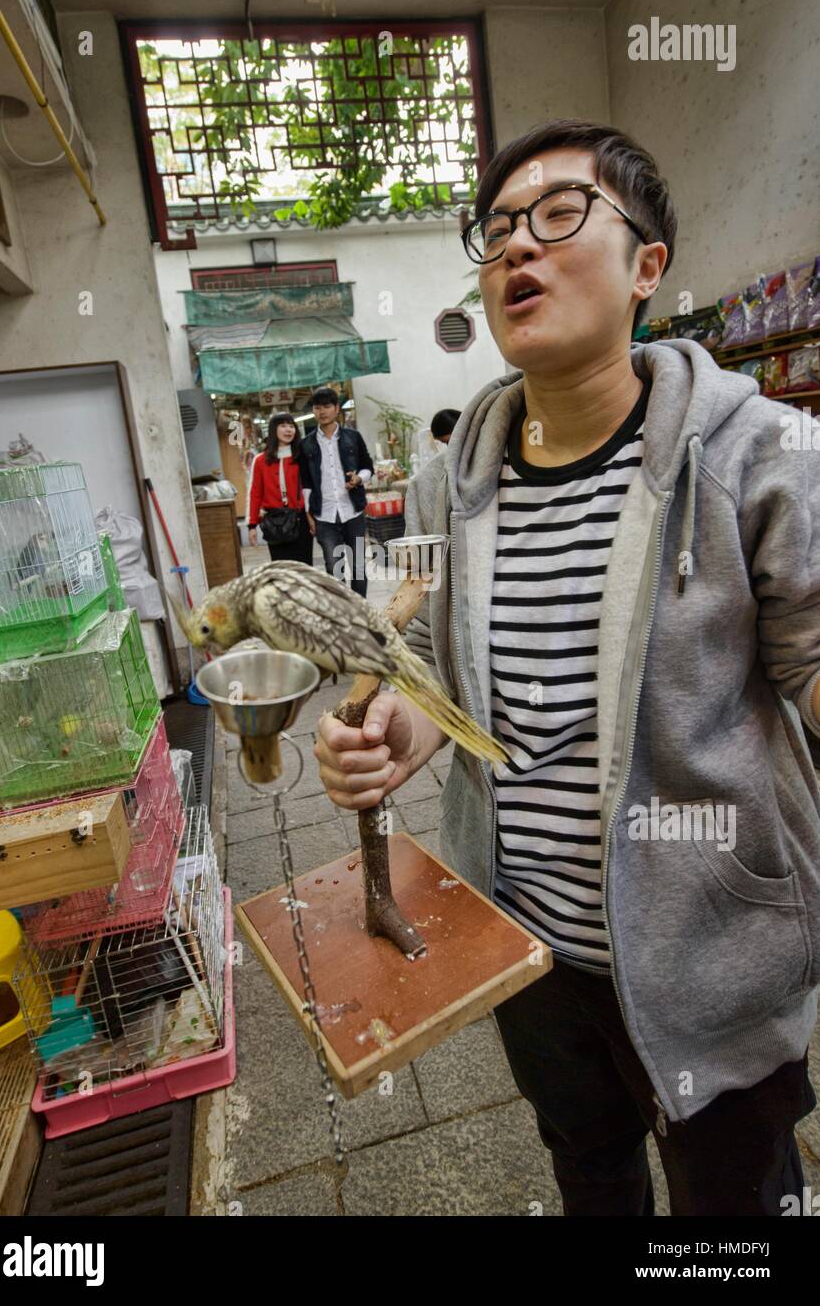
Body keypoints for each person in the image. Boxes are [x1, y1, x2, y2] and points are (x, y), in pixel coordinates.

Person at [314, 118, 820, 1217]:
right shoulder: (449, 488)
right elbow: (427, 676)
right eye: (494, 230)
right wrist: (391, 737)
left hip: (712, 959)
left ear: (648, 267)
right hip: (528, 953)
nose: (514, 251)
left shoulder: (755, 454)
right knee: (590, 1176)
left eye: (555, 217)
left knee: (730, 1208)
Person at [299, 387, 374, 598]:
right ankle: (342, 613)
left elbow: (368, 466)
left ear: (336, 408)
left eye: (326, 406)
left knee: (358, 567)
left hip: (353, 511)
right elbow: (305, 482)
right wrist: (308, 514)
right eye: (317, 407)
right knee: (334, 569)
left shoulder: (353, 437)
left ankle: (360, 611)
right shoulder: (307, 444)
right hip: (324, 515)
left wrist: (359, 478)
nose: (322, 411)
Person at [246, 412, 313, 564]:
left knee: (304, 568)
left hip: (299, 519)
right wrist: (252, 525)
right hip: (274, 522)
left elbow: (309, 488)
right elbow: (255, 493)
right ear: (273, 430)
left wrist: (312, 518)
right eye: (283, 426)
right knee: (281, 569)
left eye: (291, 426)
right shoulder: (261, 460)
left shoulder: (301, 456)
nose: (288, 430)